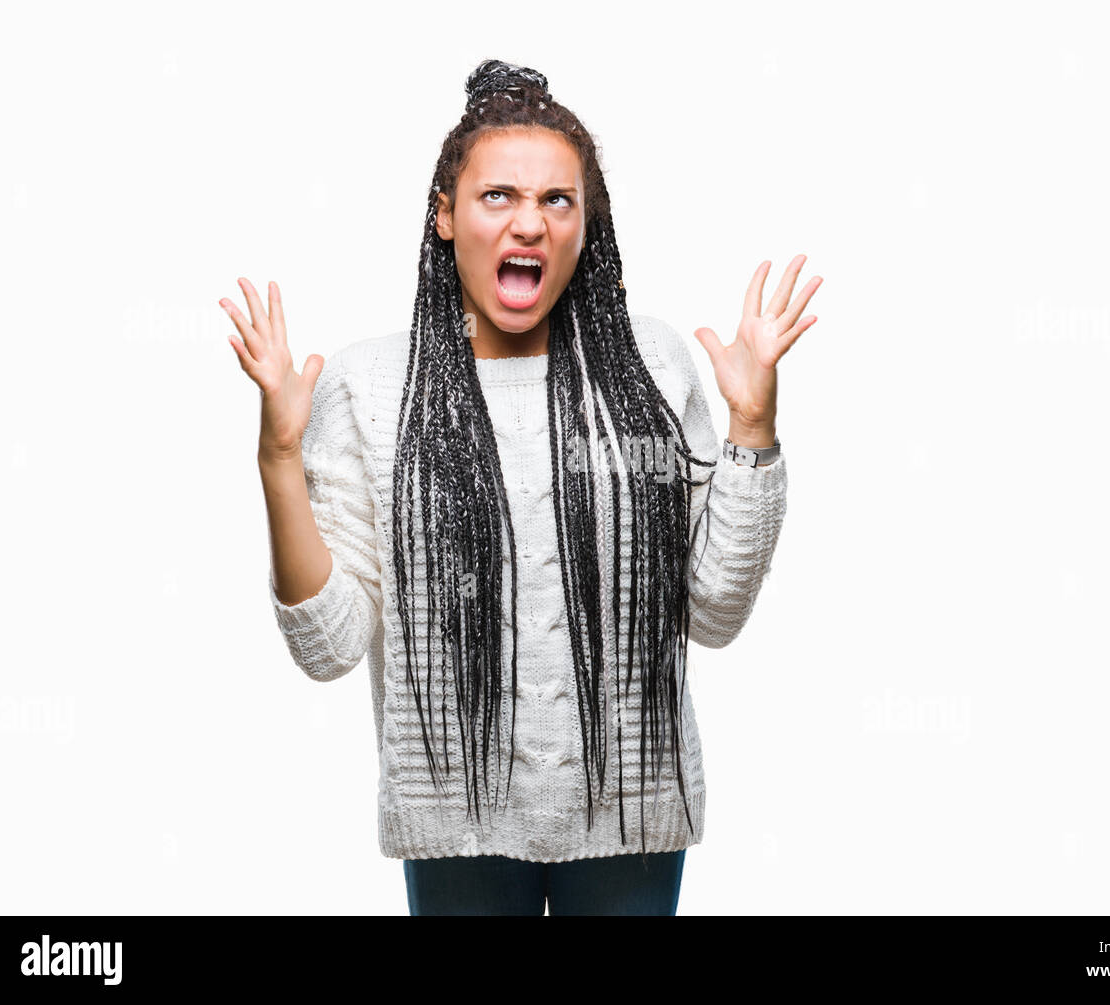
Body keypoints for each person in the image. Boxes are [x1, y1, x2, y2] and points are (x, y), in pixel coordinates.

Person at [223, 59, 820, 915]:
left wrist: (752, 428)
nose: (528, 222)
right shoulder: (370, 386)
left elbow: (714, 615)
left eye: (556, 200)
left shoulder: (652, 368)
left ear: (586, 224)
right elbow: (331, 646)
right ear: (445, 215)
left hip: (634, 820)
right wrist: (279, 456)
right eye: (497, 195)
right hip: (455, 822)